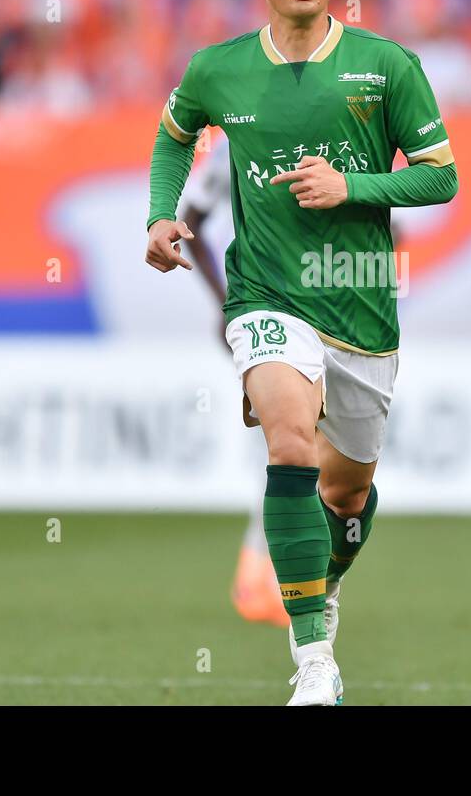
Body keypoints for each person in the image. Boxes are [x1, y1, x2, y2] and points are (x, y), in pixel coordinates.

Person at [144, 0, 458, 705]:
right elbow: (174, 133)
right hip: (266, 295)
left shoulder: (387, 66)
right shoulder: (217, 69)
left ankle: (320, 586)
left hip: (360, 304)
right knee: (290, 442)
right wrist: (160, 216)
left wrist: (349, 184)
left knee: (347, 491)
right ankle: (315, 663)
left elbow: (442, 174)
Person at [177, 135, 289, 629]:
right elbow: (191, 221)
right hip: (260, 313)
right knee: (287, 443)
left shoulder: (326, 129)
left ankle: (262, 574)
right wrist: (225, 302)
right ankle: (260, 579)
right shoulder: (235, 143)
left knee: (295, 445)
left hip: (313, 312)